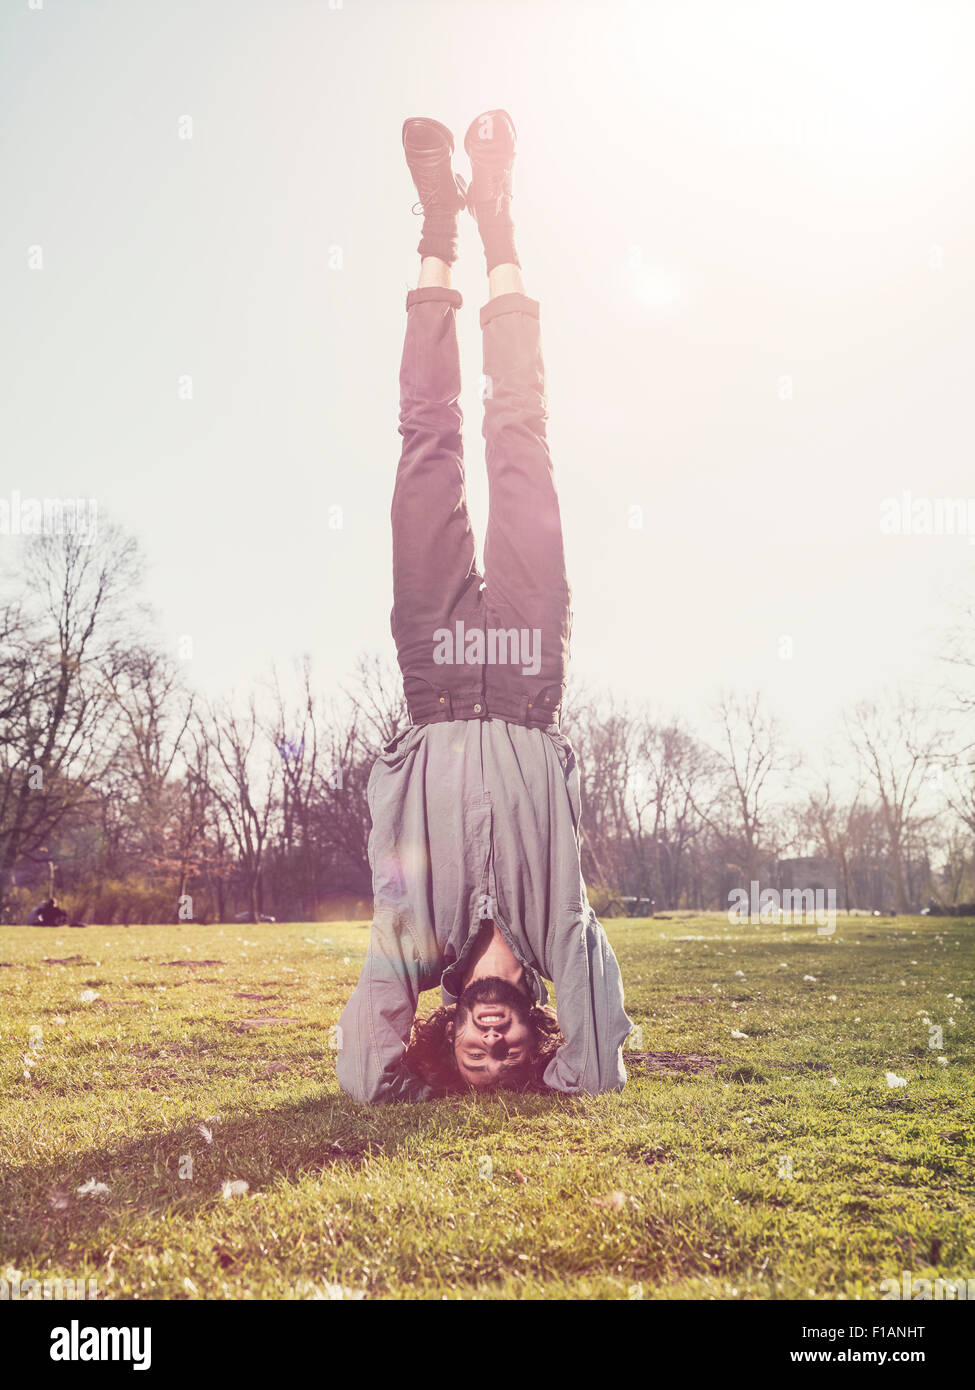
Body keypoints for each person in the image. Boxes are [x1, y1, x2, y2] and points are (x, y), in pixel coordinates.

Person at [336, 111, 632, 1102]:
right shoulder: (561, 936)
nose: (496, 1045)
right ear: (538, 1039)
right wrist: (558, 1082)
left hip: (433, 679)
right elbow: (600, 1062)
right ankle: (498, 220)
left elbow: (364, 1071)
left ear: (452, 1030)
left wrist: (415, 1080)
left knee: (425, 447)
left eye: (477, 1055)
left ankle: (436, 229)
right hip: (523, 682)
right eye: (516, 1055)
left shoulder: (413, 945)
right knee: (520, 443)